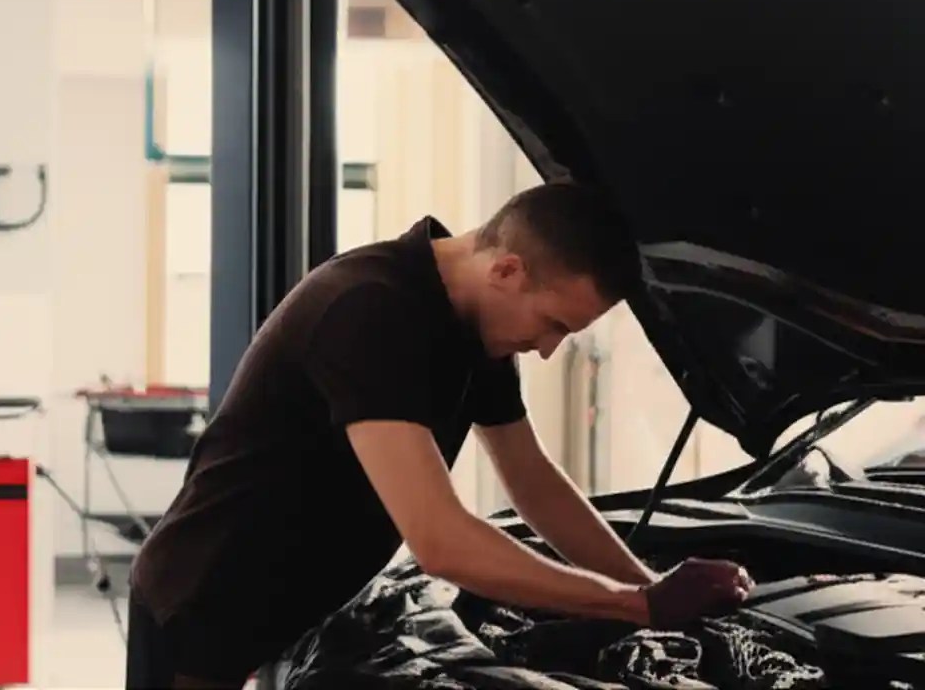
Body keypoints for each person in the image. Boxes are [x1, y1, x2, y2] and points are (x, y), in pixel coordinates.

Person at [125, 181, 754, 689]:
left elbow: (533, 481)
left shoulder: (475, 327)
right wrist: (633, 605)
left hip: (291, 602)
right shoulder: (368, 310)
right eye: (552, 324)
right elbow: (441, 540)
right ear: (507, 269)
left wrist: (649, 585)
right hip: (210, 596)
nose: (545, 350)